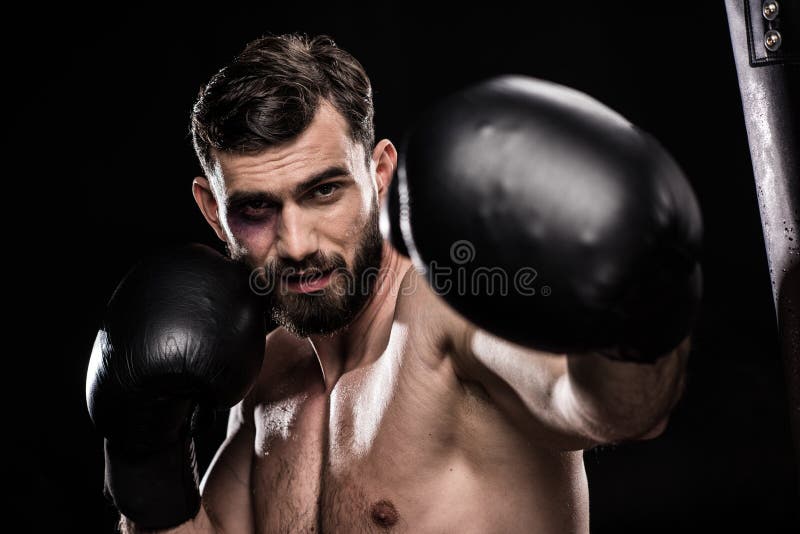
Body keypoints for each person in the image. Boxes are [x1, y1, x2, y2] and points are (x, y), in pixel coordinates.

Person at [86, 33, 702, 533]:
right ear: (213, 212)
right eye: (256, 210)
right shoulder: (266, 373)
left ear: (380, 173)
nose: (297, 244)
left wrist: (639, 305)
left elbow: (615, 410)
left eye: (323, 190)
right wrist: (145, 461)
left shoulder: (448, 319)